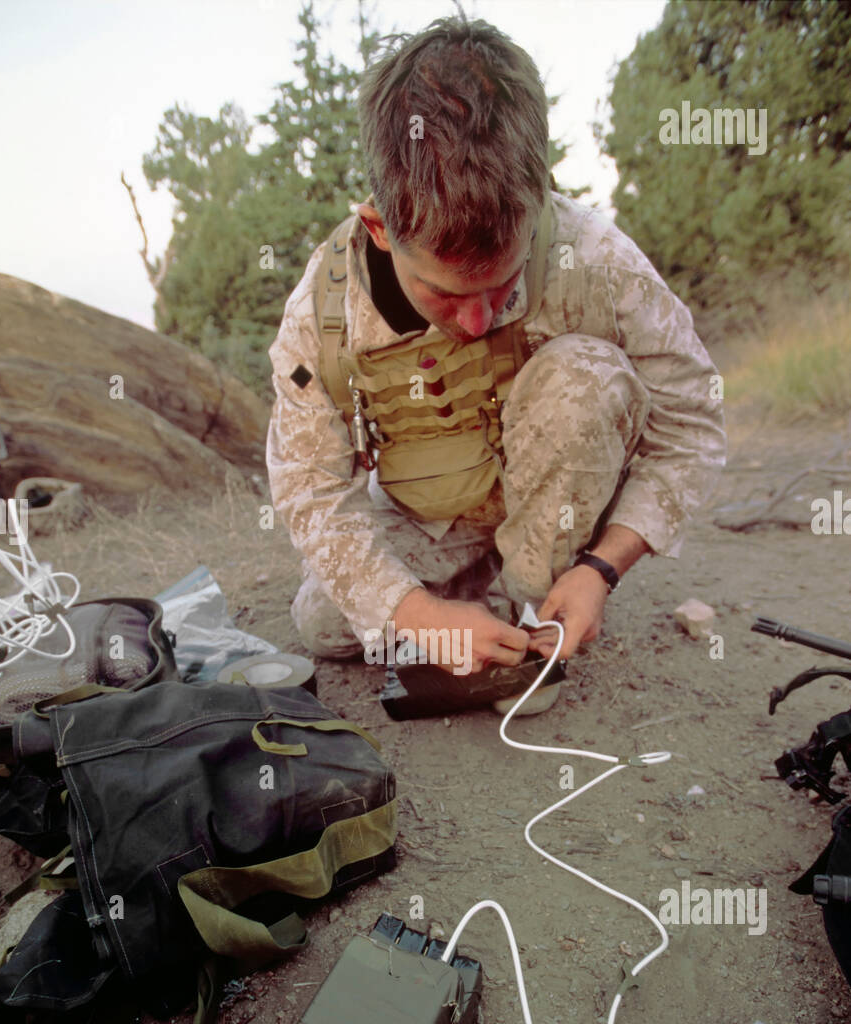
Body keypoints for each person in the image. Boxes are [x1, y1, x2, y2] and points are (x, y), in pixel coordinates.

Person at [265, 15, 726, 711]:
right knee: (324, 621)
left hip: (554, 505)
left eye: (502, 286)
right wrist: (420, 616)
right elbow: (309, 491)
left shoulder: (595, 259)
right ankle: (474, 602)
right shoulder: (321, 316)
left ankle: (535, 607)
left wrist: (603, 566)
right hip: (431, 520)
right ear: (381, 231)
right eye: (446, 294)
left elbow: (691, 424)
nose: (477, 323)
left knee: (585, 380)